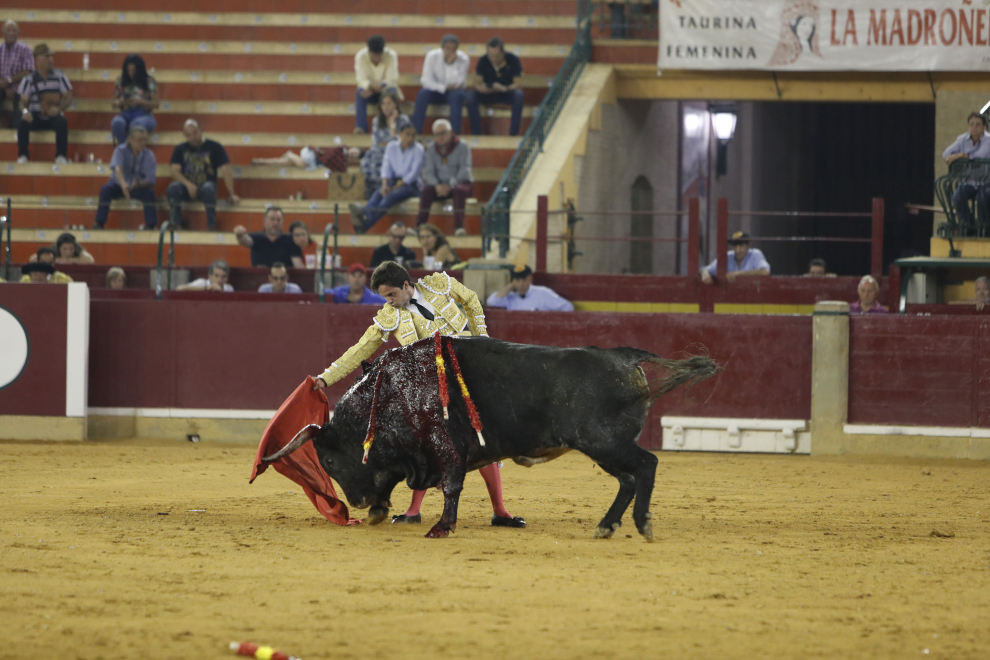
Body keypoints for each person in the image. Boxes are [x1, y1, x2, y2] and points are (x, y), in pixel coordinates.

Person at [312, 260, 524, 528]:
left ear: (405, 285)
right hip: (431, 387)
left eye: (391, 294)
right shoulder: (390, 316)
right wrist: (325, 377)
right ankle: (413, 510)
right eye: (384, 297)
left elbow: (470, 299)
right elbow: (360, 349)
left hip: (468, 375)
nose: (388, 302)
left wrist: (482, 340)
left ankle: (500, 511)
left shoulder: (439, 284)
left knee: (482, 440)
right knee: (429, 445)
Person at [349, 117, 423, 234]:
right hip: (393, 180)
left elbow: (412, 175)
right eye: (407, 134)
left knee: (389, 197)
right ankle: (365, 217)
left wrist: (393, 187)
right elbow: (386, 167)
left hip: (411, 185)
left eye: (413, 135)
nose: (410, 138)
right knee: (378, 193)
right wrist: (384, 184)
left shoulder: (418, 149)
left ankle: (366, 222)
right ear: (400, 134)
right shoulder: (392, 146)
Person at [167, 118, 240, 231]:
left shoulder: (215, 147)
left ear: (200, 130)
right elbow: (174, 170)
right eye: (189, 135)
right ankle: (177, 223)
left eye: (195, 132)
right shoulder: (180, 149)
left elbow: (226, 170)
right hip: (186, 187)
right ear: (185, 135)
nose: (193, 137)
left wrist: (231, 193)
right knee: (173, 188)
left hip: (206, 186)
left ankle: (211, 225)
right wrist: (188, 185)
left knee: (208, 188)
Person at [93, 125, 158, 230]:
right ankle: (99, 223)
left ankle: (150, 225)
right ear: (130, 139)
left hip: (137, 186)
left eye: (144, 140)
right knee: (106, 189)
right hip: (118, 185)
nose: (143, 143)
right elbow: (118, 170)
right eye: (139, 140)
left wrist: (137, 184)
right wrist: (123, 185)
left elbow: (150, 180)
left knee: (149, 192)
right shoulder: (120, 150)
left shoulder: (149, 155)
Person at [16, 43, 72, 164]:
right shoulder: (29, 79)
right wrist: (25, 112)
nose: (50, 59)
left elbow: (68, 97)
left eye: (51, 56)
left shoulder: (59, 76)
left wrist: (59, 109)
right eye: (47, 56)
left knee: (62, 122)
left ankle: (61, 156)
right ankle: (22, 155)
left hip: (53, 115)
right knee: (23, 123)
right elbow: (22, 101)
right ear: (38, 59)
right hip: (36, 114)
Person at [418, 118, 473, 235]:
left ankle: (458, 228)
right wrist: (437, 185)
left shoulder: (462, 146)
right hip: (439, 186)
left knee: (459, 191)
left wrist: (450, 185)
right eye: (437, 134)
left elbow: (465, 169)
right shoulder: (432, 149)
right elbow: (429, 172)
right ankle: (420, 226)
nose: (440, 137)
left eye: (443, 133)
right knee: (426, 191)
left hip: (460, 183)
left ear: (450, 132)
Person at [466, 36, 525, 137]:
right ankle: (476, 133)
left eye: (497, 56)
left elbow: (518, 83)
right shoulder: (484, 60)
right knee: (470, 97)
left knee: (519, 95)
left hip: (506, 92)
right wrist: (484, 89)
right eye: (491, 56)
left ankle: (513, 132)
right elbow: (476, 82)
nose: (494, 59)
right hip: (488, 92)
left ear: (503, 52)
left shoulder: (513, 59)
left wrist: (506, 88)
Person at [411, 34, 469, 135]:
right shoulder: (432, 56)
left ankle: (454, 133)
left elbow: (458, 83)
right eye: (447, 48)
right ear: (442, 48)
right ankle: (415, 131)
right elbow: (426, 81)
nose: (450, 51)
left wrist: (450, 64)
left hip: (453, 93)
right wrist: (443, 87)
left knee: (458, 95)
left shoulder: (463, 59)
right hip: (436, 91)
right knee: (422, 94)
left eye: (454, 49)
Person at [943, 112, 990, 233]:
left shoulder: (988, 140)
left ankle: (984, 228)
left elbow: (980, 156)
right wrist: (959, 155)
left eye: (978, 125)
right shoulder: (962, 139)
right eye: (972, 124)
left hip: (986, 181)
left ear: (983, 127)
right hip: (969, 181)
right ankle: (969, 225)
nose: (974, 127)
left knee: (982, 197)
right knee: (958, 196)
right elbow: (946, 154)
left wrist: (960, 155)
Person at [359, 89, 405, 200]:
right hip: (379, 151)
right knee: (368, 158)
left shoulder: (403, 120)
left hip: (398, 154)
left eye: (389, 103)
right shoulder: (376, 121)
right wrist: (389, 142)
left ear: (395, 104)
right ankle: (370, 191)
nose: (386, 107)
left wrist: (392, 124)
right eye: (383, 104)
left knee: (385, 157)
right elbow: (376, 143)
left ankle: (381, 191)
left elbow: (398, 145)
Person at [354, 34, 401, 135]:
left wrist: (377, 87)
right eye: (375, 55)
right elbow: (361, 79)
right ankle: (361, 128)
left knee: (392, 92)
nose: (378, 58)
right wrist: (370, 87)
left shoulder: (391, 55)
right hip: (369, 91)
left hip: (385, 90)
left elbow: (392, 79)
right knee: (359, 93)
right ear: (369, 52)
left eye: (379, 55)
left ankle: (392, 125)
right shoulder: (361, 57)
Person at [110, 54, 159, 145]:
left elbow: (156, 104)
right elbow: (113, 102)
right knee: (116, 122)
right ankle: (124, 148)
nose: (131, 73)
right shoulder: (120, 80)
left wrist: (140, 102)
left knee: (135, 124)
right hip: (125, 113)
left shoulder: (149, 80)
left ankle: (132, 149)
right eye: (128, 70)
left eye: (134, 70)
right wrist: (122, 102)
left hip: (144, 114)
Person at [233, 207, 304, 268]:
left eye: (278, 220)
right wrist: (240, 235)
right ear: (264, 221)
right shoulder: (257, 237)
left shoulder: (290, 240)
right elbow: (245, 241)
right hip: (260, 278)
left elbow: (298, 265)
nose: (275, 223)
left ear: (283, 222)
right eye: (272, 219)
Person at [487, 264, 573, 311]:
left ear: (530, 279)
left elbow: (568, 307)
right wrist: (510, 287)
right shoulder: (510, 297)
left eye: (524, 280)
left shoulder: (543, 293)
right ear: (512, 281)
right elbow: (491, 301)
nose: (521, 284)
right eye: (517, 280)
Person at [700, 231, 770, 284]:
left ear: (748, 246)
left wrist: (738, 273)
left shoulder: (755, 254)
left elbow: (765, 272)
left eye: (741, 246)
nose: (737, 250)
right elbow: (705, 269)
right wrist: (705, 274)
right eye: (735, 246)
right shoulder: (728, 256)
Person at [0, 20, 34, 129]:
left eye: (13, 30)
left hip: (20, 87)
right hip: (2, 86)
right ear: (3, 32)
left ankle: (14, 130)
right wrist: (5, 86)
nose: (11, 33)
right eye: (8, 30)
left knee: (20, 105)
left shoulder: (25, 50)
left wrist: (10, 82)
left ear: (18, 32)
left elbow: (28, 71)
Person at [28, 232, 95, 265]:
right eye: (64, 249)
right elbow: (33, 259)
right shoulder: (53, 251)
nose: (68, 252)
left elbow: (90, 260)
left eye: (71, 249)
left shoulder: (78, 250)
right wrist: (54, 260)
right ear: (58, 248)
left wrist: (69, 260)